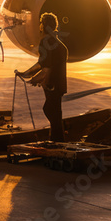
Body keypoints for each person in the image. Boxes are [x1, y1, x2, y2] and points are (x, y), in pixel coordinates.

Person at [16, 12, 68, 142]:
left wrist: (36, 79)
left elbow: (46, 69)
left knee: (52, 111)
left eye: (41, 23)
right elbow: (41, 63)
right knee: (54, 112)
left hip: (52, 85)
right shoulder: (56, 42)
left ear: (43, 26)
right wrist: (26, 73)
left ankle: (57, 141)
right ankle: (57, 139)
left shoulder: (46, 42)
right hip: (58, 84)